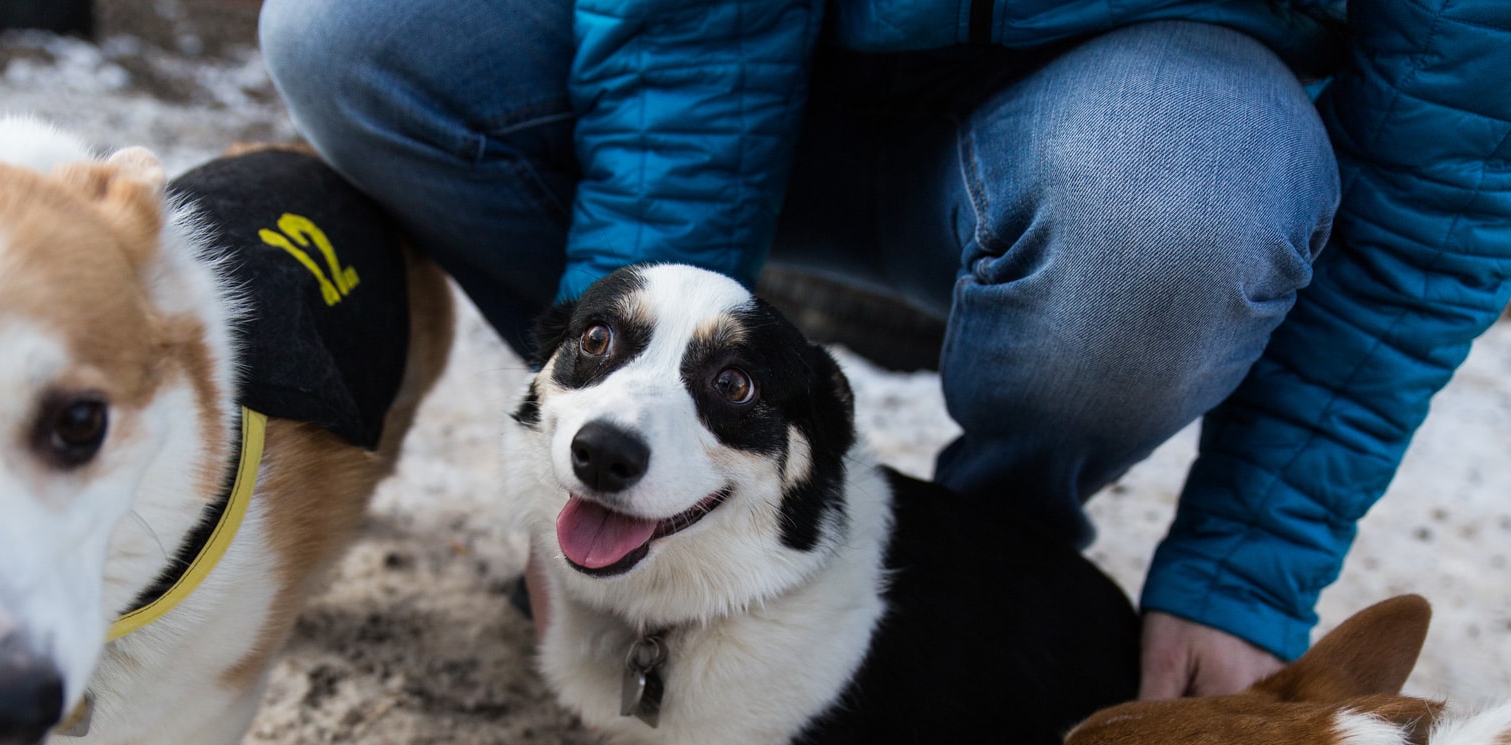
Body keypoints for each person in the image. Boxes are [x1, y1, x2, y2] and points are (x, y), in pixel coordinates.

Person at [257, 0, 1511, 698]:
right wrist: (637, 414)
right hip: (762, 72)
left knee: (1186, 188)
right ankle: (718, 467)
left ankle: (969, 582)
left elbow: (1443, 195)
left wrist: (1247, 564)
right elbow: (688, 33)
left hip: (1116, 142)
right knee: (355, 35)